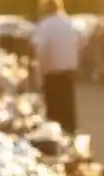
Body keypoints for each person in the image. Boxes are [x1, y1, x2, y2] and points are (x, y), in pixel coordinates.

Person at [32, 0, 81, 133]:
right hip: (69, 72)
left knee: (54, 112)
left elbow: (42, 50)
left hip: (52, 73)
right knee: (68, 109)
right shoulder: (68, 23)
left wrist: (40, 72)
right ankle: (71, 134)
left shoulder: (46, 26)